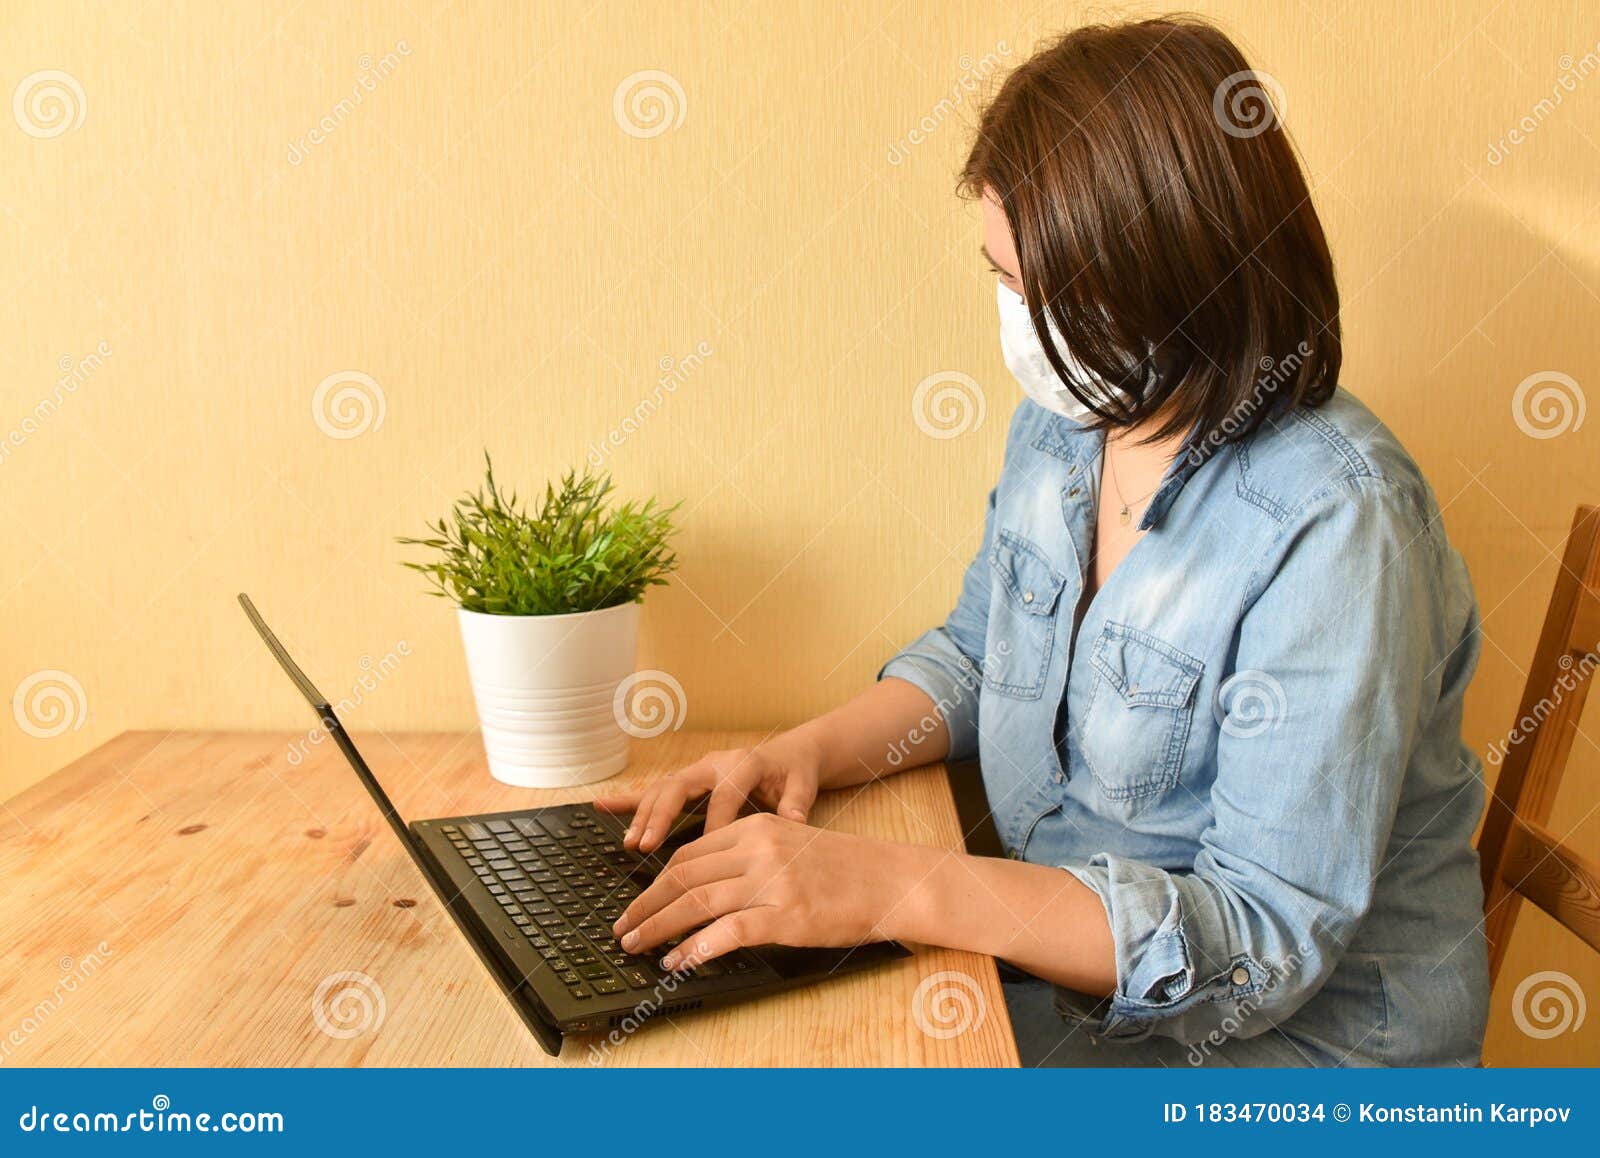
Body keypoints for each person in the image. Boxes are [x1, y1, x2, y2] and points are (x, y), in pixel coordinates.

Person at [597, 14, 1488, 1067]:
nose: (1026, 329)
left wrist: (890, 885)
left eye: (1059, 292)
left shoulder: (1338, 521)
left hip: (1295, 1066)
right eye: (1006, 283)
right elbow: (982, 651)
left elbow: (1262, 947)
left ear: (1188, 274)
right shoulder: (1076, 421)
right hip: (1069, 1004)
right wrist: (793, 758)